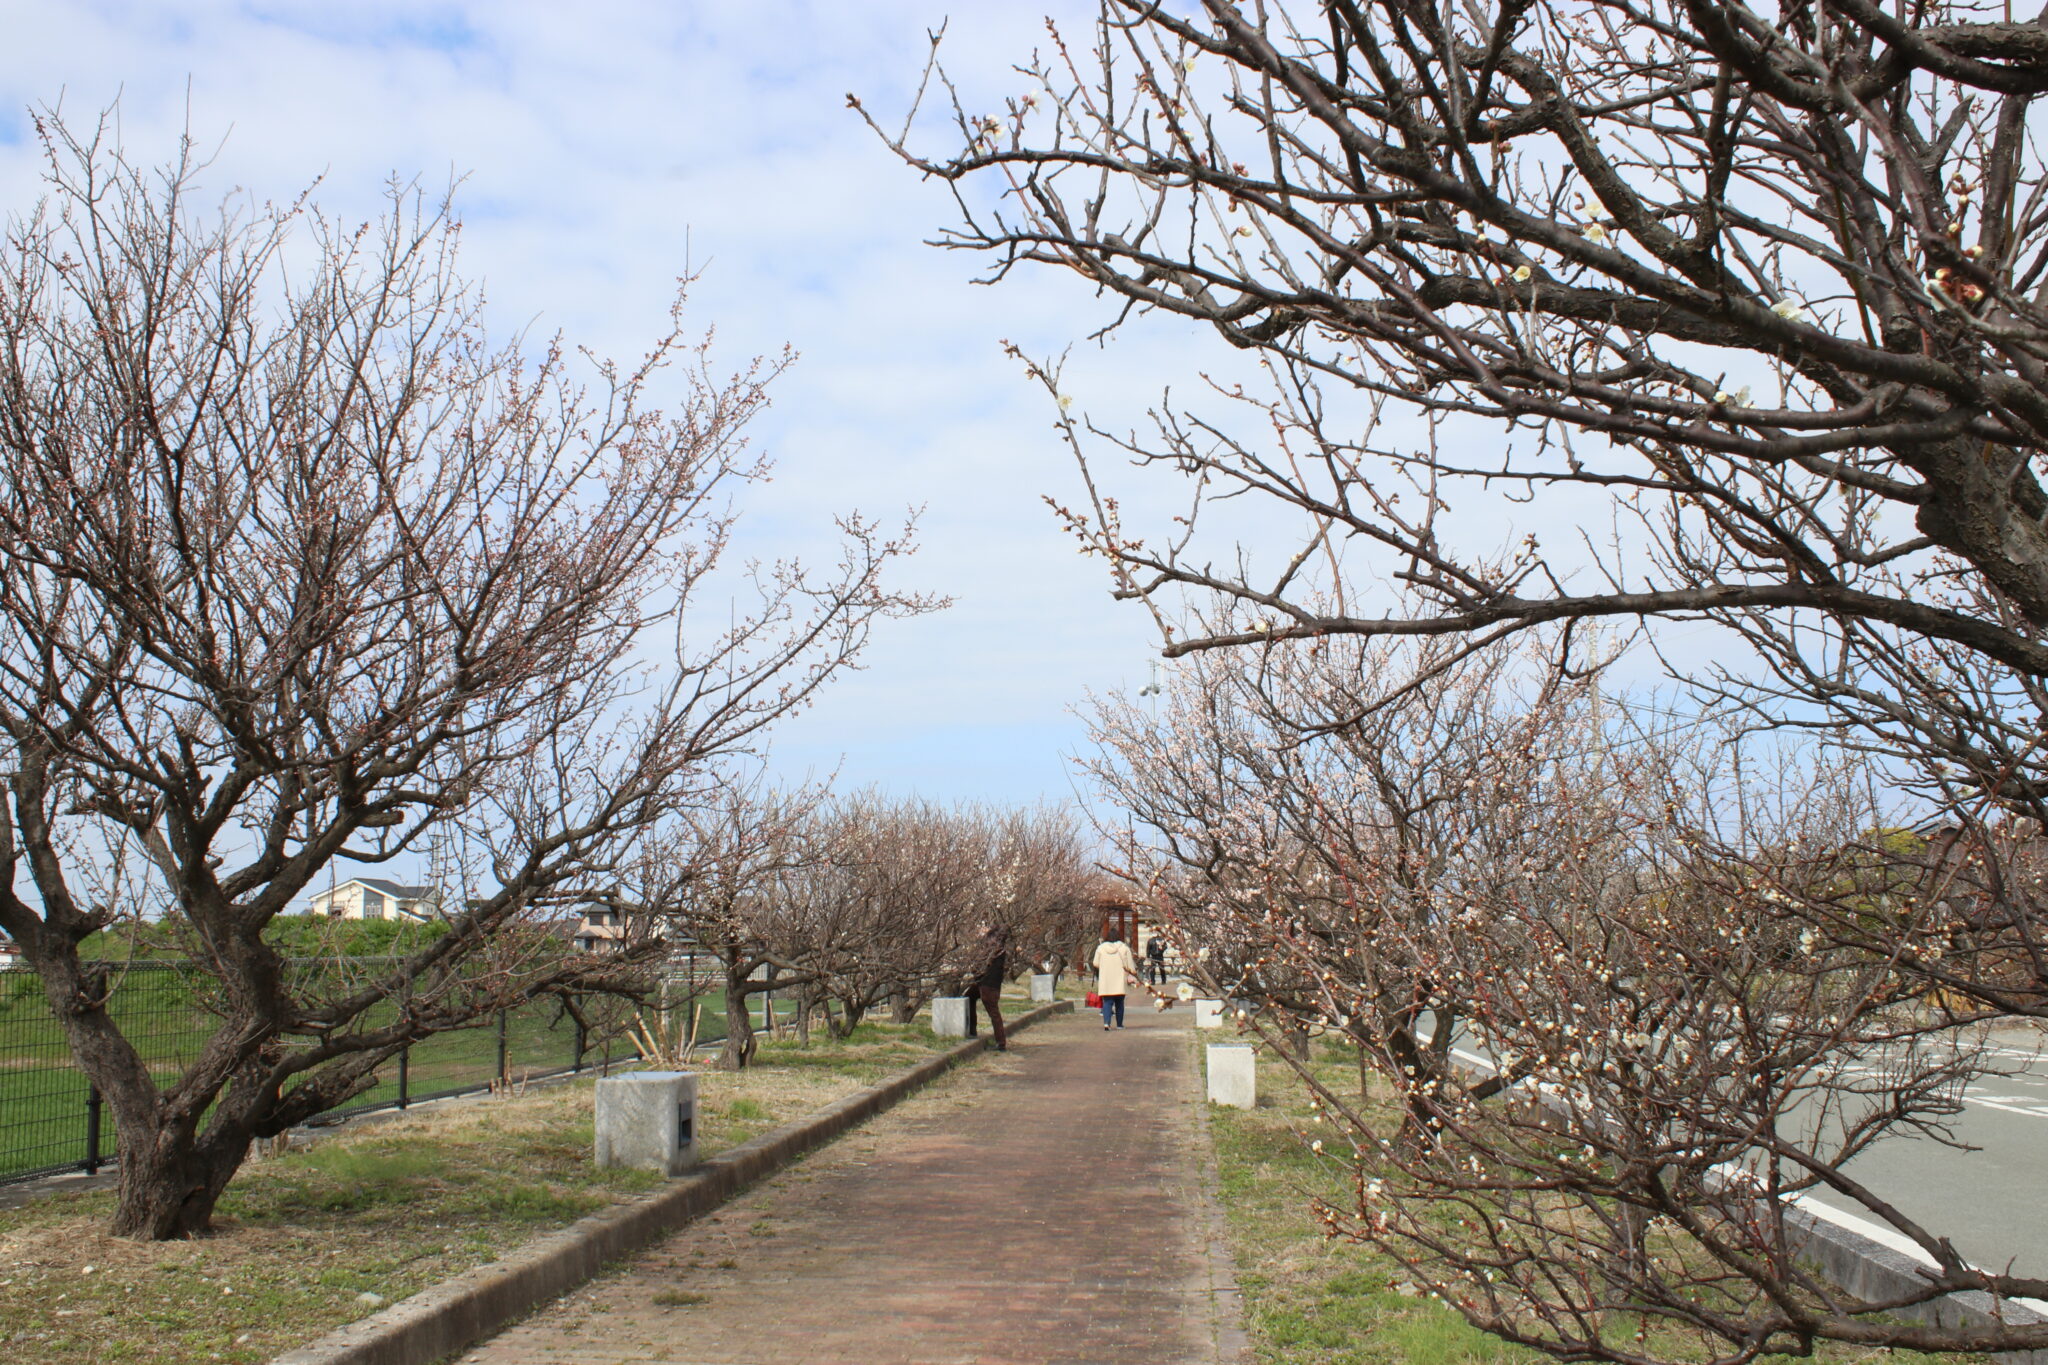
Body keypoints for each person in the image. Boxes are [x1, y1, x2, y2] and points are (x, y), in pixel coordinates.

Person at [966, 924, 1009, 1051]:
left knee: (993, 1012)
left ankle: (1001, 1043)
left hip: (988, 984)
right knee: (970, 997)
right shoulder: (999, 949)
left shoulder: (995, 950)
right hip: (986, 983)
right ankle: (972, 1030)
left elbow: (981, 963)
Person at [1092, 929, 1140, 1030]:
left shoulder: (1101, 948)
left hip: (1106, 979)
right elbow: (1130, 965)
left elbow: (1095, 963)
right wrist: (1134, 974)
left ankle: (1106, 1023)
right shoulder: (1124, 948)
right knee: (1119, 1003)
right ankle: (1119, 1024)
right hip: (1120, 979)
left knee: (1107, 1002)